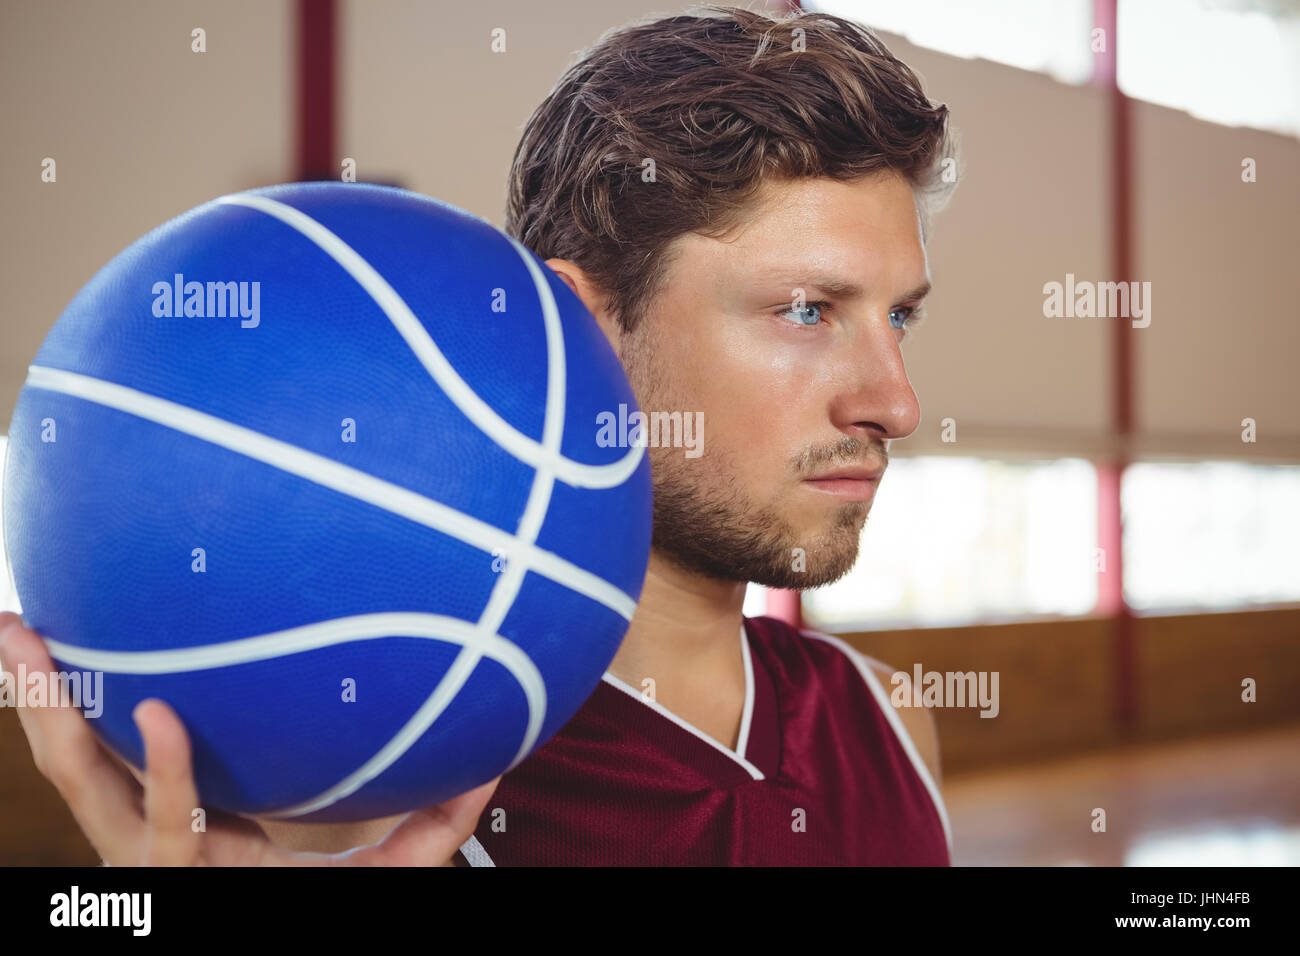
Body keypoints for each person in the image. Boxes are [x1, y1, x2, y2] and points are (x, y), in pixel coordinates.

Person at [0, 4, 955, 866]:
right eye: (806, 310)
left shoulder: (890, 719)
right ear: (581, 328)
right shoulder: (362, 804)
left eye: (899, 317)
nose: (896, 404)